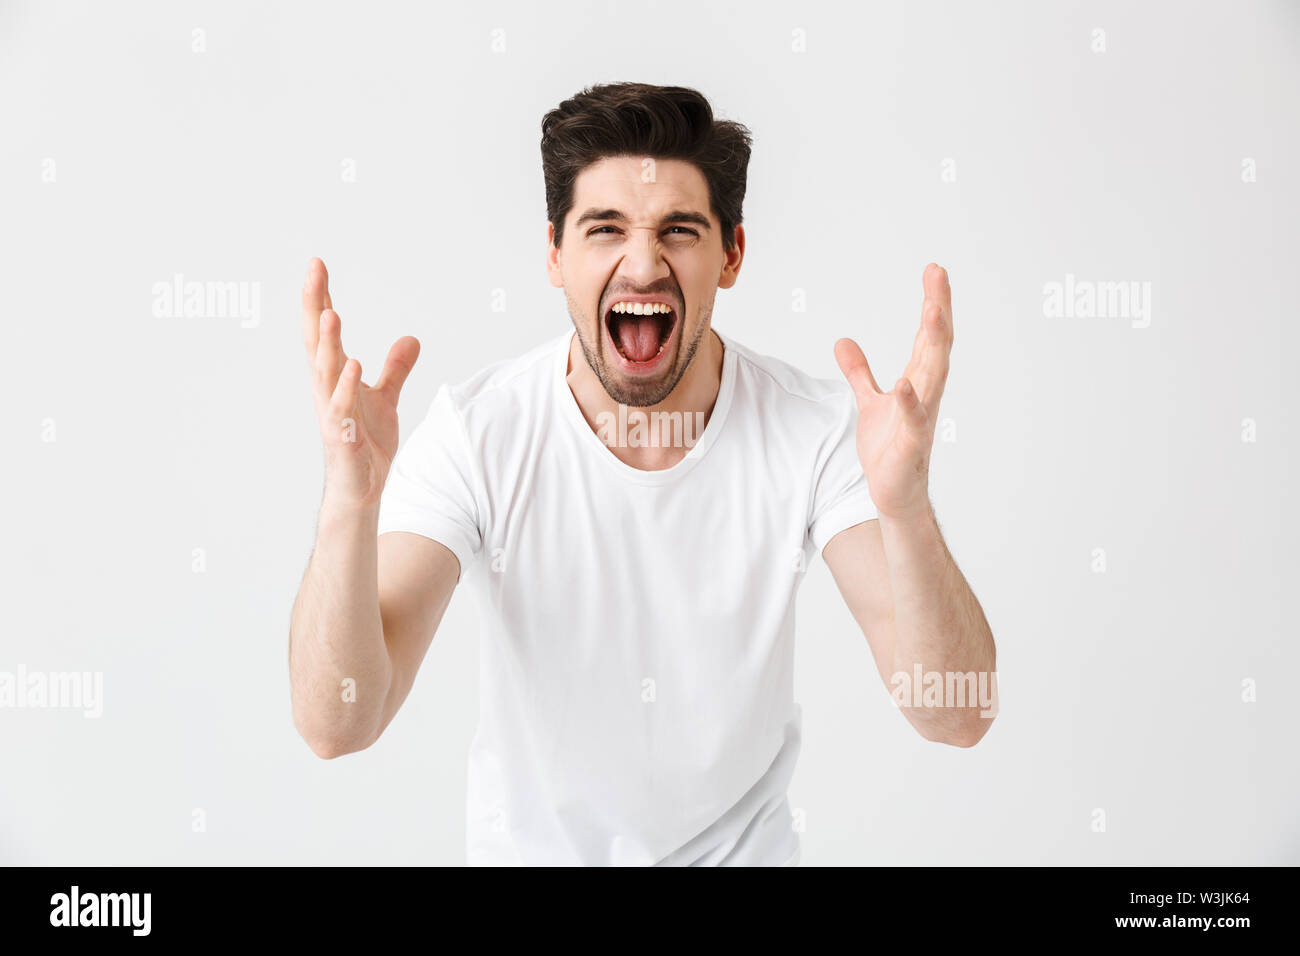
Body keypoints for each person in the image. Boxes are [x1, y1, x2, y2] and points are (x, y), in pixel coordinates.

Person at [288, 82, 997, 866]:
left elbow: (954, 715)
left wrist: (906, 509)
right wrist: (349, 505)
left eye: (680, 230)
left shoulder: (813, 430)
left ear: (731, 255)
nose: (643, 262)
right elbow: (337, 725)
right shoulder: (477, 433)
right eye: (606, 229)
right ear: (555, 254)